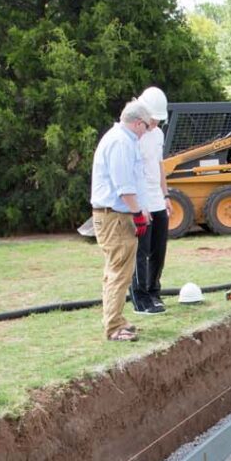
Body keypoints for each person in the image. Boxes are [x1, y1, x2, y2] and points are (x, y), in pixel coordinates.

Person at [89, 100, 153, 342]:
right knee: (119, 272)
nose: (146, 131)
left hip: (114, 215)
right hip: (115, 217)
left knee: (116, 270)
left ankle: (114, 319)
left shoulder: (122, 140)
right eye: (146, 126)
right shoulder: (121, 142)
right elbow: (124, 185)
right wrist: (137, 213)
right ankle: (114, 327)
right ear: (137, 123)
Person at [132, 86, 170, 314]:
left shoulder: (157, 134)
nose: (154, 125)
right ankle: (140, 296)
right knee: (141, 251)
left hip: (157, 200)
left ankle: (154, 292)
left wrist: (165, 195)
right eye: (152, 120)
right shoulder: (133, 135)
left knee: (158, 250)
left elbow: (159, 166)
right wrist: (138, 206)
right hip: (141, 202)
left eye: (158, 121)